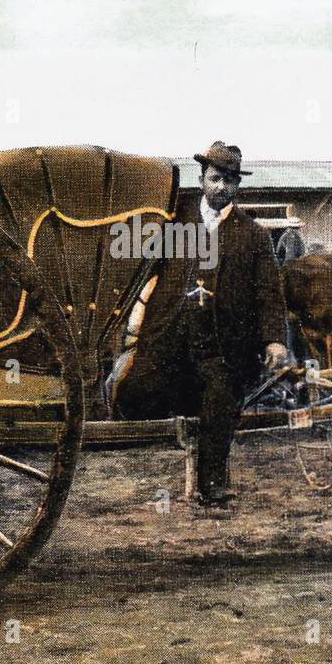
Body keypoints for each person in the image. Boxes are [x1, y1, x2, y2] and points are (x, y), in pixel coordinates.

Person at [116, 141, 289, 509]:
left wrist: (275, 341)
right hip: (167, 337)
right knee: (132, 395)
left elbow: (269, 295)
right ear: (202, 178)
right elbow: (139, 270)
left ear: (237, 186)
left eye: (229, 181)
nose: (220, 188)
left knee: (220, 406)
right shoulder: (174, 223)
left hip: (223, 348)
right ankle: (138, 482)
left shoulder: (253, 236)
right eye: (214, 179)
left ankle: (212, 484)